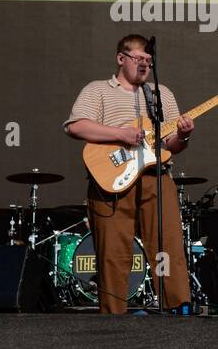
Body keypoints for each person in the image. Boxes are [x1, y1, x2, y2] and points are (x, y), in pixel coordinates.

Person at [64, 34, 195, 313]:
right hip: (110, 181)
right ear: (121, 59)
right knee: (113, 253)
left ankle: (177, 308)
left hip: (155, 178)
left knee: (168, 245)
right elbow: (75, 126)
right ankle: (114, 319)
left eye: (148, 60)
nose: (145, 64)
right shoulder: (98, 90)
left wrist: (183, 137)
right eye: (139, 58)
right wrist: (120, 133)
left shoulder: (160, 94)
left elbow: (170, 146)